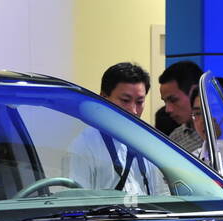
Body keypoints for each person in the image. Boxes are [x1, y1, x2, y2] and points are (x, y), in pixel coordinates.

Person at [66, 62, 164, 195]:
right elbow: (77, 200)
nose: (134, 111)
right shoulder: (84, 145)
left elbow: (160, 194)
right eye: (125, 100)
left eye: (139, 102)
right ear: (103, 98)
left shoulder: (149, 143)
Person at [158, 60, 205, 157]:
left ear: (195, 92)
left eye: (173, 100)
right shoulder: (175, 138)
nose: (168, 109)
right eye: (165, 102)